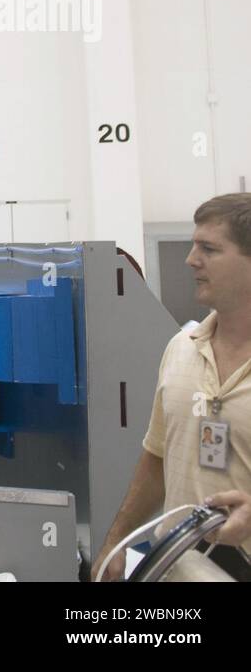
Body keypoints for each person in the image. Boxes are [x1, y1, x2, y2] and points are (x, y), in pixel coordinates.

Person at [93, 194, 251, 581]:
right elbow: (157, 456)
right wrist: (118, 539)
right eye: (194, 245)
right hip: (179, 563)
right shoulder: (181, 348)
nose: (190, 259)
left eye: (209, 249)